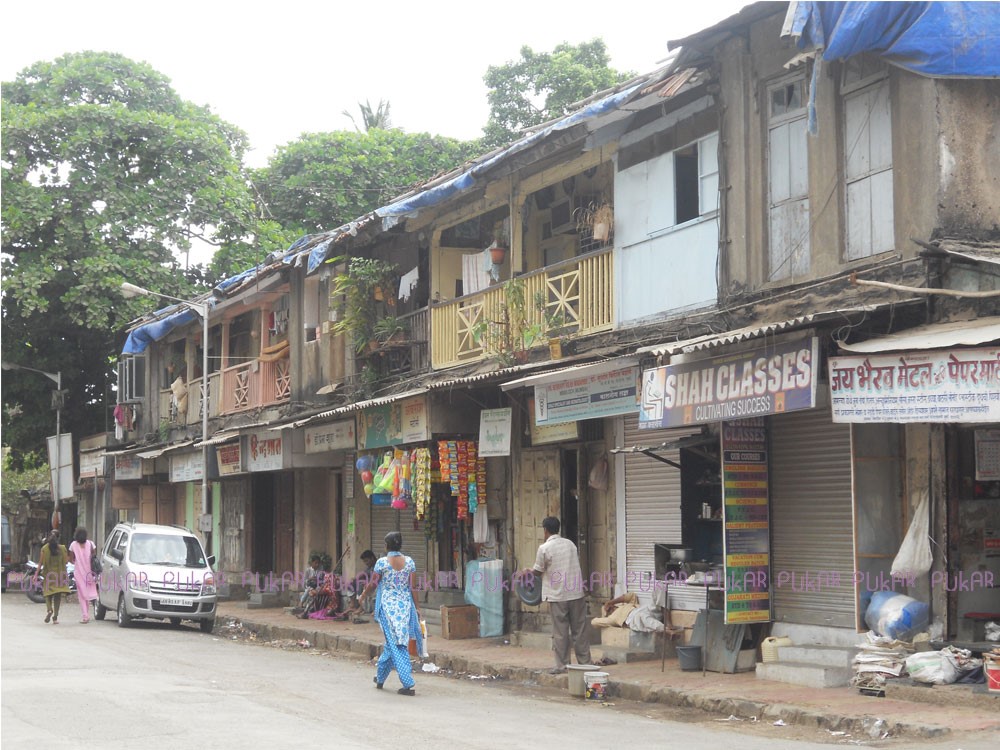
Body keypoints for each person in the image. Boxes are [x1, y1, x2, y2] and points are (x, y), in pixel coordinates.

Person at [520, 516, 592, 674]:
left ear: (545, 530)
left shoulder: (544, 548)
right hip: (576, 593)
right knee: (579, 630)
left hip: (557, 595)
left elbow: (537, 572)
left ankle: (562, 665)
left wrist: (527, 572)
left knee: (561, 632)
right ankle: (585, 663)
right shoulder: (570, 544)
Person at [358, 531, 422, 696]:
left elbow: (373, 584)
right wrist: (418, 608)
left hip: (387, 609)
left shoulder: (381, 563)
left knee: (396, 644)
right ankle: (380, 678)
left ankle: (407, 682)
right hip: (405, 608)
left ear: (386, 546)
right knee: (393, 643)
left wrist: (364, 595)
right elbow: (413, 588)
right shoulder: (409, 562)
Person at [35, 530, 70, 624]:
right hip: (59, 576)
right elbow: (66, 562)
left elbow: (40, 563)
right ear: (58, 538)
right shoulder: (63, 548)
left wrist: (35, 575)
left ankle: (49, 610)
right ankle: (55, 618)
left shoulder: (44, 549)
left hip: (48, 575)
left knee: (47, 594)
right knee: (57, 596)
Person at [68, 527, 99, 624]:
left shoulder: (73, 545)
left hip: (79, 573)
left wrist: (77, 561)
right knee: (88, 594)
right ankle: (87, 614)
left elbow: (71, 559)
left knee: (81, 595)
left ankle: (85, 616)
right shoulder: (90, 544)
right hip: (90, 573)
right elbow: (94, 555)